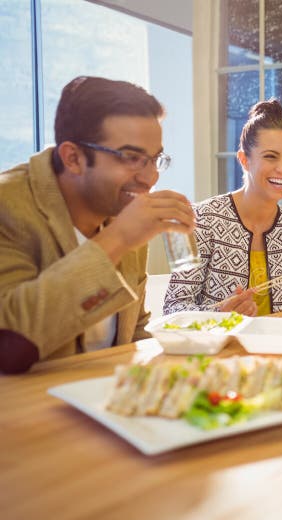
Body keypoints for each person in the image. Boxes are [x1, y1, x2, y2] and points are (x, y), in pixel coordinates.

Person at [0, 76, 195, 374]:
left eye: (155, 159)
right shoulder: (9, 206)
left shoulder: (119, 208)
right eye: (131, 157)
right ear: (73, 158)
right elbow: (9, 346)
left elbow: (133, 331)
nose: (150, 178)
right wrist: (117, 239)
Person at [163, 99, 282, 316]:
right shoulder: (196, 220)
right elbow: (172, 309)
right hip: (212, 349)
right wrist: (221, 314)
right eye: (270, 156)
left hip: (276, 348)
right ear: (244, 160)